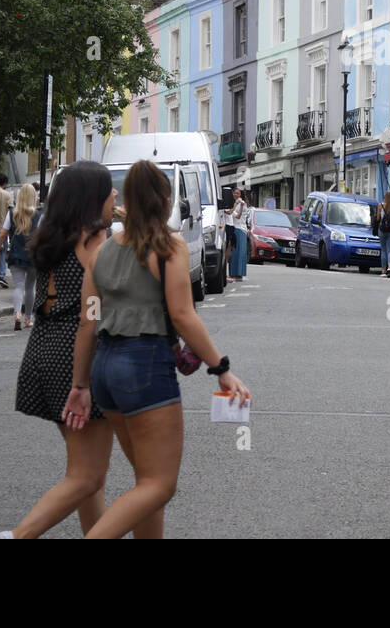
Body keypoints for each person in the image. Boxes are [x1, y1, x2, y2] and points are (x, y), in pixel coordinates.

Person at [61, 160, 250, 538]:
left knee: (145, 483)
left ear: (128, 199)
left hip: (104, 370)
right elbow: (182, 314)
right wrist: (221, 368)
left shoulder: (101, 252)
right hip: (145, 367)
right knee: (160, 485)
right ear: (165, 200)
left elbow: (88, 322)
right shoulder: (169, 246)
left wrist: (80, 386)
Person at [1, 161, 115, 539]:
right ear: (91, 199)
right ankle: (18, 537)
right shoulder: (94, 242)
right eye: (108, 191)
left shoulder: (52, 235)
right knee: (87, 475)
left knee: (85, 473)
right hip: (74, 354)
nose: (115, 196)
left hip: (43, 352)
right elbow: (93, 316)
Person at [0, 183, 42, 331]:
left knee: (18, 286)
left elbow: (3, 233)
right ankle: (28, 319)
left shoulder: (12, 213)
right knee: (30, 288)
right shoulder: (39, 214)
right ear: (33, 196)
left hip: (16, 255)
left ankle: (17, 313)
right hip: (33, 256)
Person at [372, 192, 390, 279]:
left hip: (382, 230)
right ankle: (389, 268)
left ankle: (383, 271)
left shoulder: (380, 206)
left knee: (383, 250)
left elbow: (377, 219)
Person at [227, 187, 250, 282]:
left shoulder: (242, 204)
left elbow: (239, 216)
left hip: (240, 229)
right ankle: (233, 273)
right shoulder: (232, 204)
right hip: (234, 228)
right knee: (234, 253)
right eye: (234, 193)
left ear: (241, 195)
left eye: (238, 193)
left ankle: (239, 274)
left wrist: (240, 205)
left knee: (240, 252)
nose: (236, 195)